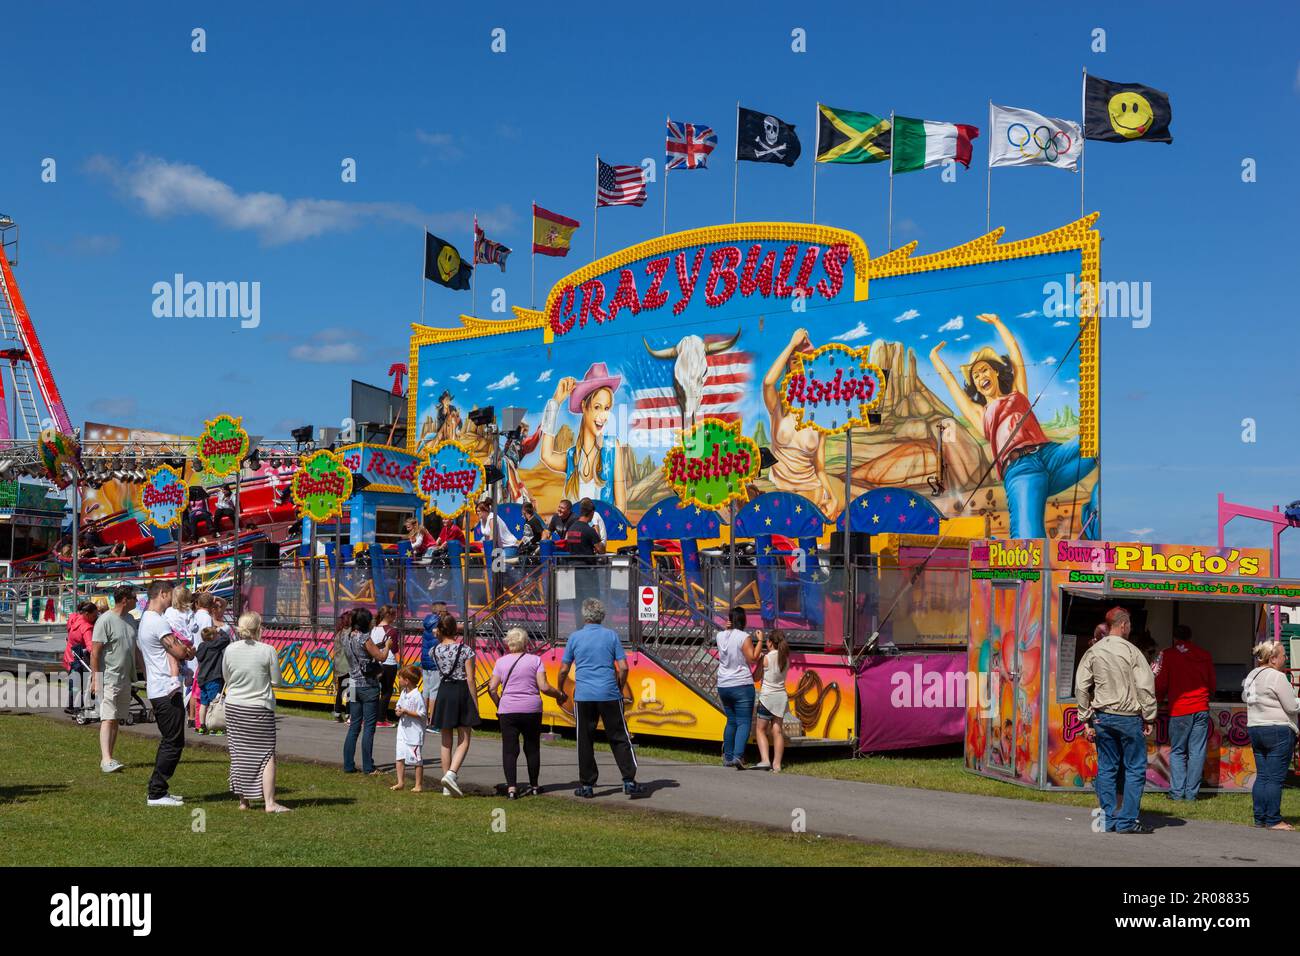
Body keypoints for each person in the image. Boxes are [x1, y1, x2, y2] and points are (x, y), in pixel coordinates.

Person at [929, 313, 1097, 539]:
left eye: (984, 370)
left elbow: (1015, 352)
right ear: (976, 386)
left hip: (1050, 455)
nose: (980, 377)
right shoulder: (980, 413)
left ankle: (1092, 523)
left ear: (996, 371)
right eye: (975, 376)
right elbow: (951, 385)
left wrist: (998, 322)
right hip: (1020, 470)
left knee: (1096, 438)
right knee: (1030, 542)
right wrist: (934, 358)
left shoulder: (1019, 392)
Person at [1074, 607, 1157, 834]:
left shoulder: (1094, 651)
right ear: (1122, 625)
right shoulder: (1133, 652)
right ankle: (1127, 821)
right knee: (1134, 768)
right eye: (1129, 624)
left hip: (1102, 717)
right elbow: (1145, 687)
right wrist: (1149, 716)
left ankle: (1107, 819)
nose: (1130, 628)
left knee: (1107, 768)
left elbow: (1081, 687)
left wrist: (1085, 718)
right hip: (1128, 718)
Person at [557, 598, 642, 798]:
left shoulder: (575, 638)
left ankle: (587, 784)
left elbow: (563, 669)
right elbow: (623, 667)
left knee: (585, 739)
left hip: (584, 695)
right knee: (619, 736)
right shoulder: (611, 636)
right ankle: (629, 779)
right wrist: (619, 686)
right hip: (609, 692)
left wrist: (560, 689)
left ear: (584, 615)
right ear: (602, 616)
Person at [763, 328, 839, 519]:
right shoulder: (778, 404)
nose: (801, 367)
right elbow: (768, 382)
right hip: (780, 487)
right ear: (789, 365)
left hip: (811, 489)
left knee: (808, 542)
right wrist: (791, 345)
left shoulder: (821, 414)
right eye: (796, 361)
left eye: (807, 362)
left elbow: (819, 467)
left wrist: (833, 496)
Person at [221, 611, 289, 812]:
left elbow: (226, 676)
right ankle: (269, 802)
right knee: (266, 754)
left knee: (239, 753)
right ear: (259, 628)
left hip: (234, 706)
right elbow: (276, 680)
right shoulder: (268, 650)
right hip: (259, 707)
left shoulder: (230, 649)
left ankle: (244, 801)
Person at [538, 363, 627, 512]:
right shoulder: (573, 456)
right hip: (575, 533)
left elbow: (621, 507)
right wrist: (555, 403)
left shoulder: (612, 447)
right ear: (584, 405)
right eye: (597, 407)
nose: (603, 416)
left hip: (601, 534)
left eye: (606, 408)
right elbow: (546, 456)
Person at [489, 627, 565, 798]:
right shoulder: (535, 660)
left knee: (509, 750)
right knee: (532, 748)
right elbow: (544, 687)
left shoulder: (500, 662)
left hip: (508, 710)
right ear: (525, 642)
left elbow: (492, 688)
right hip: (532, 709)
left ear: (508, 642)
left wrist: (499, 704)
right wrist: (559, 694)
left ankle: (511, 789)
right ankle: (535, 785)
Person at [138, 580, 194, 806]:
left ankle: (159, 790)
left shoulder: (145, 620)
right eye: (170, 595)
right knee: (173, 741)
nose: (172, 599)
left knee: (171, 740)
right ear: (162, 594)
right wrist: (189, 652)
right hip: (166, 691)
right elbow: (179, 650)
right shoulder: (157, 622)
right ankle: (157, 792)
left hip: (158, 687)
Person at [1155, 624, 1215, 801]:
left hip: (1180, 709)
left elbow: (1161, 684)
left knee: (1178, 751)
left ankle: (1177, 792)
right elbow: (1212, 683)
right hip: (1201, 707)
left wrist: (1158, 699)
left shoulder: (1168, 655)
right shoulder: (1204, 654)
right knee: (1197, 751)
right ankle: (1191, 794)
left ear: (1174, 638)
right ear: (1191, 638)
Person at [1242, 640, 1298, 830]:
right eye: (1283, 655)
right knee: (1275, 778)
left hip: (1256, 727)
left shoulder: (1252, 674)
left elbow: (1245, 697)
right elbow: (1291, 706)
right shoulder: (1277, 677)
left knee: (1263, 776)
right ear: (1273, 659)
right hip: (1278, 729)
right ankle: (1273, 819)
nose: (1286, 658)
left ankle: (1260, 817)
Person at [90, 584, 138, 773]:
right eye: (134, 597)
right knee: (108, 717)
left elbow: (135, 648)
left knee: (117, 717)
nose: (136, 600)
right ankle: (106, 759)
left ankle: (110, 756)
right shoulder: (105, 620)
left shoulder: (130, 619)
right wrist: (96, 678)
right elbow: (95, 653)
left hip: (125, 676)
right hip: (109, 676)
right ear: (125, 599)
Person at [430, 613, 479, 796]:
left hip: (443, 691)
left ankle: (446, 785)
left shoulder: (434, 650)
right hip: (460, 691)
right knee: (464, 738)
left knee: (445, 739)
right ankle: (451, 774)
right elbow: (471, 679)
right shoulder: (465, 650)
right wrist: (474, 702)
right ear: (455, 629)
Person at [342, 608, 387, 775]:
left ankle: (348, 764)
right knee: (369, 726)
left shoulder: (346, 636)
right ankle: (368, 766)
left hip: (353, 683)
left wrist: (377, 646)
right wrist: (387, 646)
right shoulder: (365, 638)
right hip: (368, 685)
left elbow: (362, 652)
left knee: (354, 725)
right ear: (366, 622)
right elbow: (381, 657)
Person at [716, 606, 761, 769]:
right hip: (741, 684)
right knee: (744, 722)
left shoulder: (719, 636)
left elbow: (727, 638)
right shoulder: (744, 637)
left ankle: (727, 757)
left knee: (731, 721)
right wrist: (760, 641)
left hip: (723, 684)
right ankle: (738, 756)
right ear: (743, 620)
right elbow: (753, 658)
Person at [754, 629, 790, 772]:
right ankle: (777, 764)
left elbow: (756, 677)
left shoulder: (766, 658)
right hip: (781, 698)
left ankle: (765, 760)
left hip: (767, 698)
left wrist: (759, 662)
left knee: (760, 730)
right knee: (778, 731)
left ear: (769, 643)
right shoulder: (785, 659)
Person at [563, 500, 605, 617]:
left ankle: (579, 628)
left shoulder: (571, 529)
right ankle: (592, 628)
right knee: (591, 602)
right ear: (591, 513)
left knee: (577, 603)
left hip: (573, 572)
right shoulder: (589, 530)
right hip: (587, 572)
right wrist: (598, 538)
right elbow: (601, 550)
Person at [391, 666, 427, 792]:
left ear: (407, 680)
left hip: (414, 733)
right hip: (402, 731)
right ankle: (400, 782)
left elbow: (422, 714)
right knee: (399, 756)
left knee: (416, 759)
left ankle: (418, 785)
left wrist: (407, 711)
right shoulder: (403, 693)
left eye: (400, 678)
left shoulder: (417, 696)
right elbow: (398, 707)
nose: (398, 680)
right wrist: (398, 712)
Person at [195, 625, 232, 735]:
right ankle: (215, 727)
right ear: (213, 636)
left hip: (202, 679)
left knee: (204, 703)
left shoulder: (201, 647)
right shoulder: (214, 645)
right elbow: (226, 639)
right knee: (215, 702)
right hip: (213, 678)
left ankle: (202, 726)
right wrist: (219, 630)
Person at [63, 601, 98, 714]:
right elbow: (90, 646)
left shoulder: (74, 618)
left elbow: (69, 629)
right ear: (87, 614)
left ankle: (70, 705)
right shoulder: (86, 627)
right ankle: (79, 706)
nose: (96, 617)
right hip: (79, 658)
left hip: (70, 654)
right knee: (83, 682)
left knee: (73, 682)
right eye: (94, 615)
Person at [372, 605, 400, 727]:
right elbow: (394, 649)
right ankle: (381, 718)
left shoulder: (373, 629)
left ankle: (375, 716)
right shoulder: (392, 631)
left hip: (376, 662)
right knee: (387, 691)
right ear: (388, 615)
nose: (395, 617)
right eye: (394, 615)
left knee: (375, 690)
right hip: (389, 662)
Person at [420, 603, 447, 719]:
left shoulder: (427, 622)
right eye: (445, 611)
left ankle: (423, 717)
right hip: (435, 661)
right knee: (434, 691)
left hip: (425, 660)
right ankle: (432, 719)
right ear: (440, 612)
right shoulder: (439, 624)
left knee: (426, 690)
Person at [331, 610, 353, 721]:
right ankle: (349, 713)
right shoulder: (350, 633)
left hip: (339, 665)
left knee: (341, 689)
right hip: (348, 665)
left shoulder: (338, 633)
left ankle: (337, 713)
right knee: (350, 689)